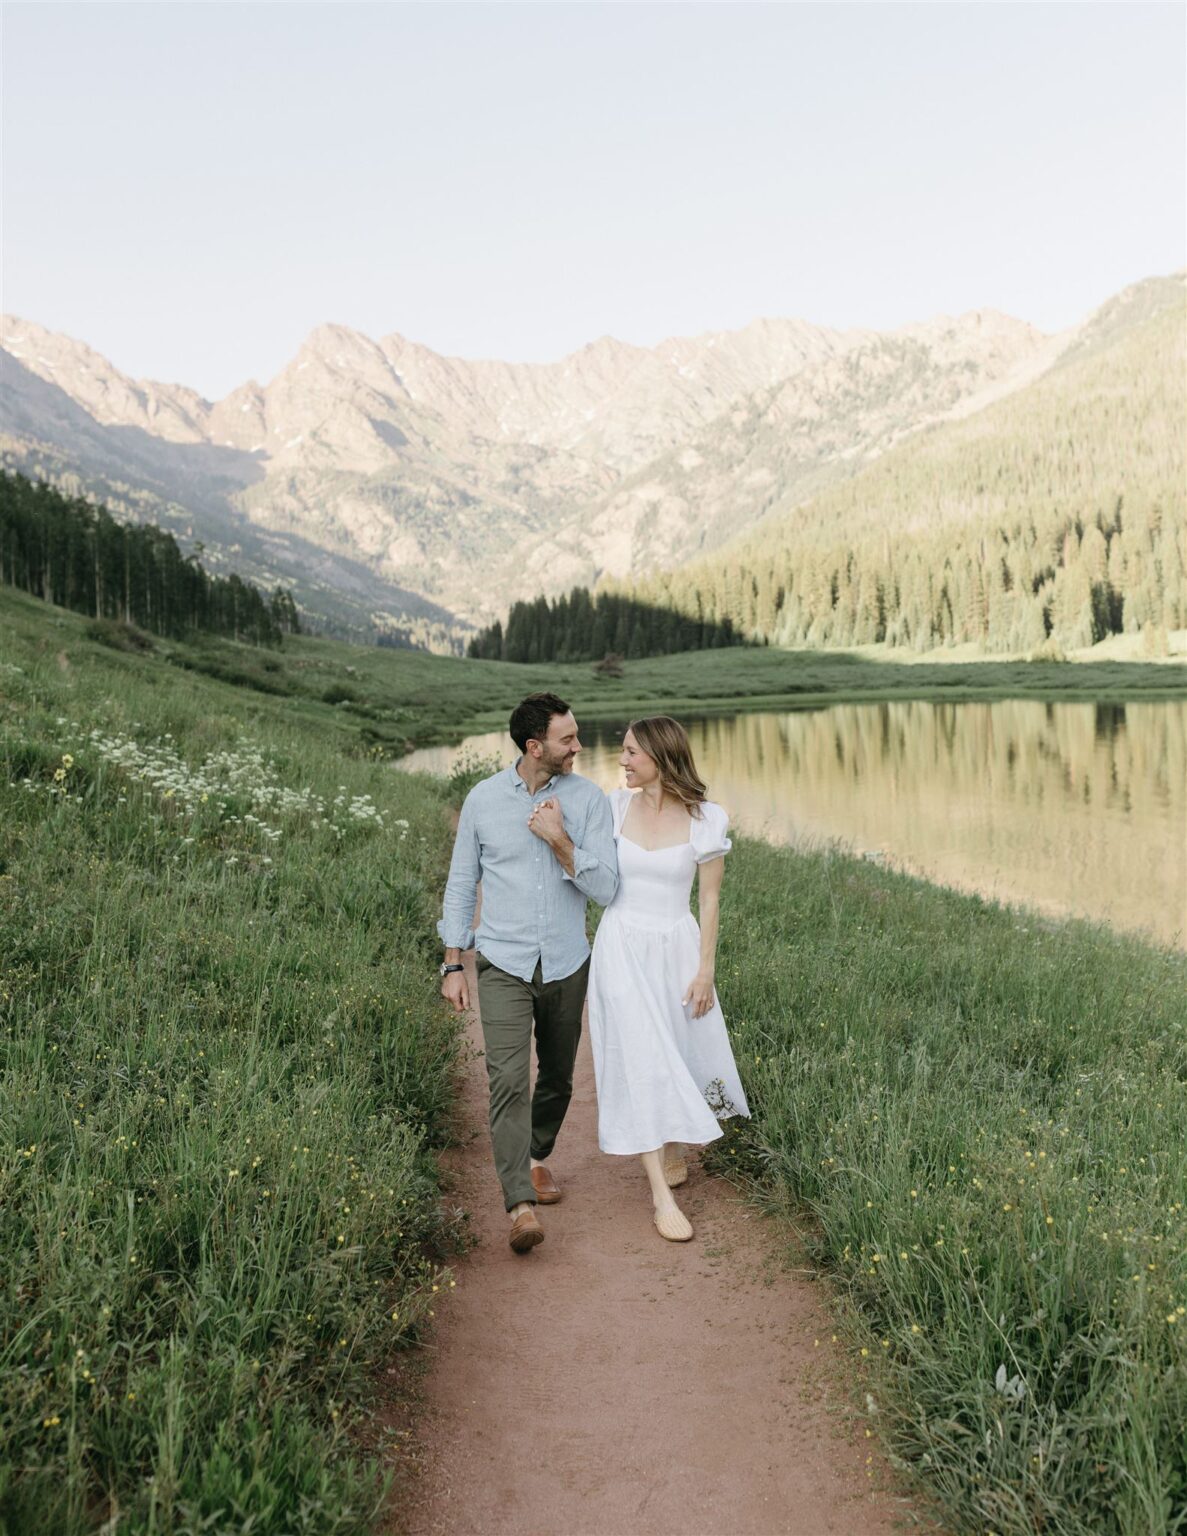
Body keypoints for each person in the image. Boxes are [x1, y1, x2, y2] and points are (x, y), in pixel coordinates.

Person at [438, 693, 618, 1253]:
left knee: (559, 1076)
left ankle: (537, 1155)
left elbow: (607, 888)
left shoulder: (589, 801)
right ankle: (519, 1205)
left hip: (566, 961)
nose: (579, 747)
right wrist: (452, 963)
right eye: (569, 739)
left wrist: (560, 840)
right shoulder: (483, 800)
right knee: (509, 1080)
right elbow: (462, 883)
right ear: (535, 746)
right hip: (503, 963)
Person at [587, 716, 750, 1242]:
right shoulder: (612, 808)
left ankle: (675, 1141)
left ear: (660, 755)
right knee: (640, 1054)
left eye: (632, 752)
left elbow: (709, 900)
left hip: (676, 945)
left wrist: (706, 970)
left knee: (674, 1047)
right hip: (620, 945)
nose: (623, 760)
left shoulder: (706, 818)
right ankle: (660, 1196)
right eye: (623, 751)